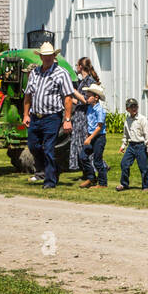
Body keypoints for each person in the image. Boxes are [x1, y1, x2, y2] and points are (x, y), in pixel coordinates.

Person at [22, 41, 74, 189]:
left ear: (53, 56)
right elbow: (28, 95)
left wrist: (67, 119)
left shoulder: (61, 73)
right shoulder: (35, 73)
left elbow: (68, 97)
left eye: (50, 56)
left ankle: (50, 181)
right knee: (33, 145)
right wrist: (26, 115)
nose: (47, 58)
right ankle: (51, 169)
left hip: (52, 116)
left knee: (49, 148)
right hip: (35, 116)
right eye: (45, 56)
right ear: (41, 57)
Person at [69, 56, 100, 174]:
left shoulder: (89, 81)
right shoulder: (82, 81)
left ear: (81, 67)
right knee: (78, 143)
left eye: (77, 65)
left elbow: (86, 100)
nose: (76, 67)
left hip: (85, 116)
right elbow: (79, 101)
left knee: (85, 143)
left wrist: (73, 90)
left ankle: (94, 168)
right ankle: (85, 169)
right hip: (79, 115)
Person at [77, 83, 108, 188]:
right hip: (91, 136)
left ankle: (103, 183)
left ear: (96, 97)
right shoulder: (89, 108)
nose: (86, 97)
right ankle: (91, 178)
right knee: (83, 156)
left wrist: (90, 138)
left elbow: (99, 127)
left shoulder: (100, 110)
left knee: (97, 161)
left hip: (99, 137)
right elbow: (90, 124)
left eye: (89, 95)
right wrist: (88, 135)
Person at [118, 98, 148, 192]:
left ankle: (146, 186)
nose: (134, 108)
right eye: (131, 107)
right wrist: (123, 145)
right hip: (131, 146)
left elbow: (147, 134)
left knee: (143, 167)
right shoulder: (127, 120)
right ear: (127, 109)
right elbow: (126, 134)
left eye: (135, 106)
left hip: (141, 146)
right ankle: (124, 184)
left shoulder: (143, 119)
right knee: (124, 164)